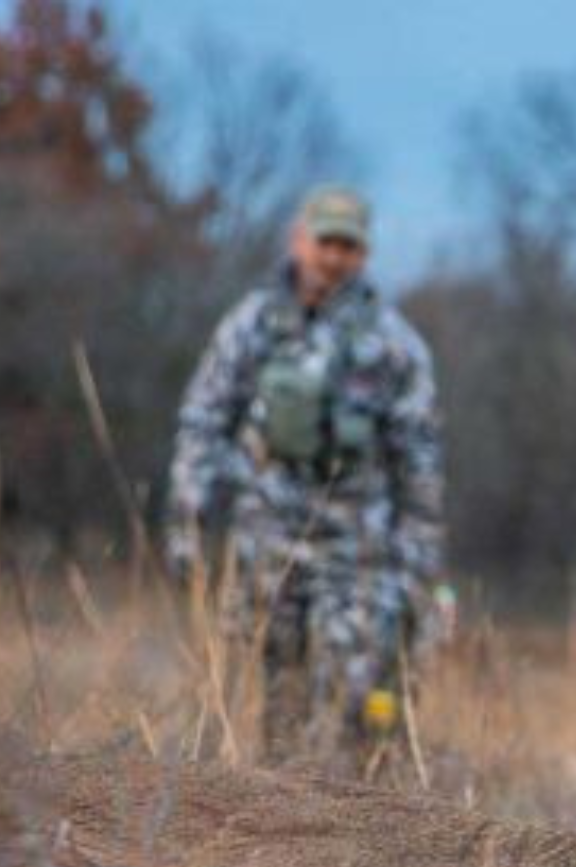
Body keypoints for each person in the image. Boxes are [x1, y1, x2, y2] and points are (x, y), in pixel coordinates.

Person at [163, 185, 446, 765]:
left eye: (350, 245)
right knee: (268, 689)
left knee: (355, 695)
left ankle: (346, 815)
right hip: (265, 538)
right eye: (326, 242)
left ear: (364, 253)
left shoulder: (393, 344)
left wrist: (419, 563)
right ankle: (273, 821)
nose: (335, 257)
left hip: (357, 548)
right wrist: (189, 515)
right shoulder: (253, 324)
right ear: (300, 240)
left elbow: (419, 459)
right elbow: (203, 418)